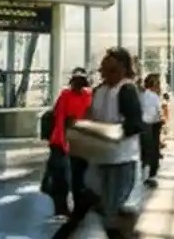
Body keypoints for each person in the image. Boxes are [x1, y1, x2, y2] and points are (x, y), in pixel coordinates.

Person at [53, 47, 145, 239]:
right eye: (103, 67)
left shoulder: (126, 90)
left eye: (107, 67)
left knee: (108, 212)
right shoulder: (99, 91)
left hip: (121, 160)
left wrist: (108, 132)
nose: (102, 71)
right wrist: (82, 129)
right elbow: (90, 117)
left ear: (120, 68)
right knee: (94, 206)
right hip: (99, 159)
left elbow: (135, 124)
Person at [46, 68, 92, 218]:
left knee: (78, 177)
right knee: (61, 177)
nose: (78, 85)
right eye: (75, 82)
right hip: (61, 141)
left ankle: (78, 207)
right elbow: (59, 119)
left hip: (79, 141)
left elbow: (89, 117)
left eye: (81, 82)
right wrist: (63, 141)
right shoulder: (66, 95)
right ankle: (61, 208)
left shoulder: (88, 96)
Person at [140, 74, 163, 188]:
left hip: (142, 125)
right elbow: (159, 112)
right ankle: (150, 176)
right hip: (152, 125)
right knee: (153, 151)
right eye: (158, 83)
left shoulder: (142, 95)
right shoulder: (154, 96)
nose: (159, 86)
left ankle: (143, 175)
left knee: (144, 152)